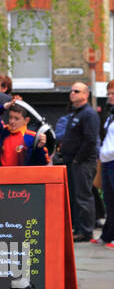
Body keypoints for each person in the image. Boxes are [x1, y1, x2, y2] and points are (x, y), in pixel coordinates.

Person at [56, 81, 100, 242]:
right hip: (72, 161)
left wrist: (77, 159)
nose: (72, 93)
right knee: (74, 196)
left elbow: (90, 140)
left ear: (85, 94)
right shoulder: (76, 113)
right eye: (71, 91)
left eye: (76, 91)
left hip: (83, 162)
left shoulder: (89, 114)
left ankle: (86, 231)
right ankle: (78, 227)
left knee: (83, 196)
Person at [0, 100, 51, 167]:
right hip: (2, 176)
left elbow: (43, 163)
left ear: (26, 120)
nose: (12, 121)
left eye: (16, 119)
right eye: (10, 117)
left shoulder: (33, 137)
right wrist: (4, 107)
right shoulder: (3, 132)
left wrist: (40, 147)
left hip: (24, 176)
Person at [95, 81, 114, 248]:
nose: (110, 96)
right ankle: (107, 235)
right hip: (107, 161)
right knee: (109, 200)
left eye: (113, 93)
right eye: (108, 93)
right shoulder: (110, 115)